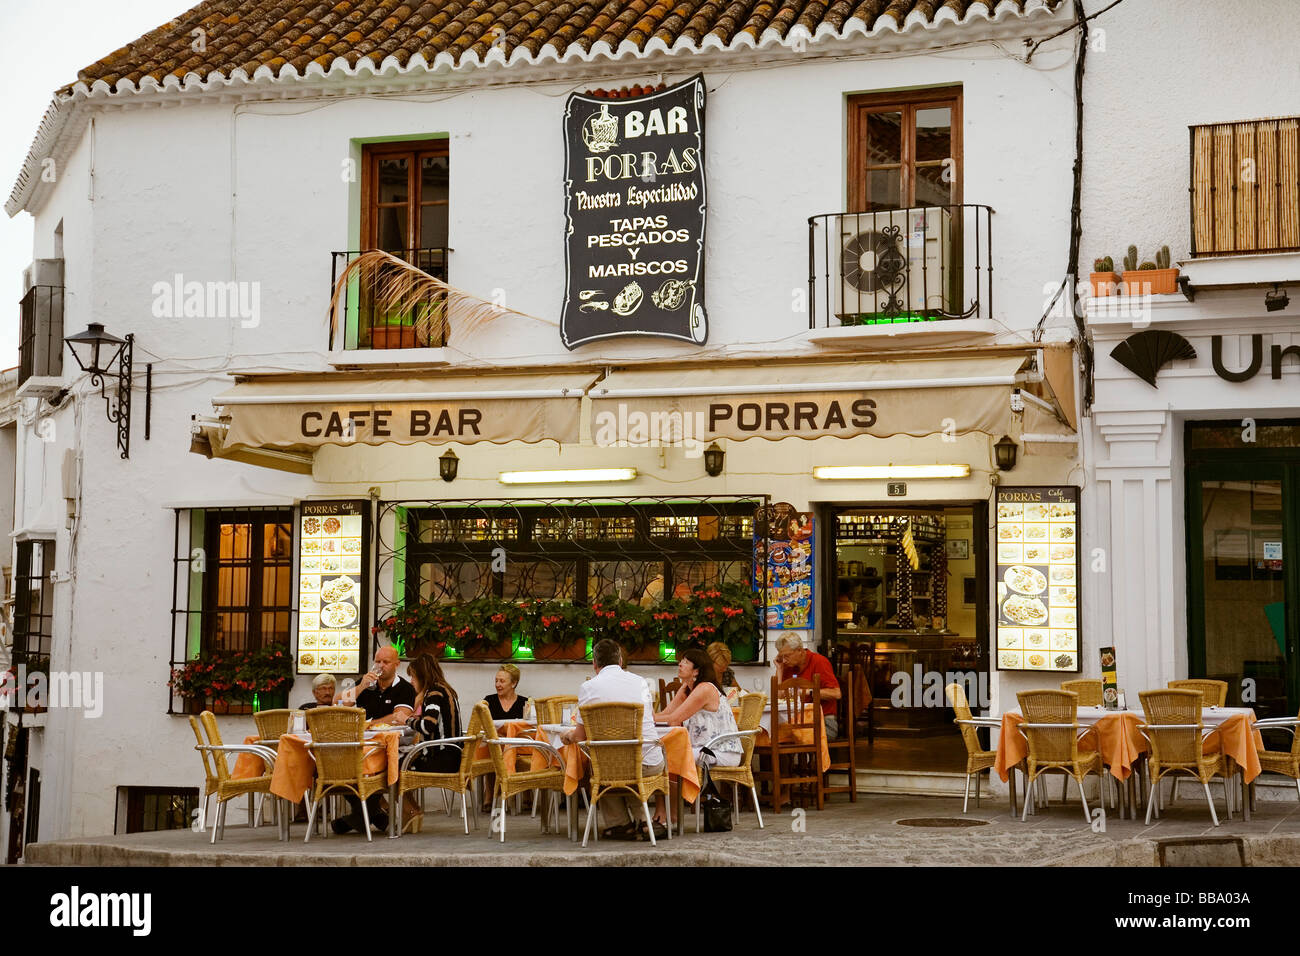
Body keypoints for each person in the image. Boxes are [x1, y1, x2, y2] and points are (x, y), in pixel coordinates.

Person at [561, 638, 665, 841]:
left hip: (613, 766)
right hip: (650, 762)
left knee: (603, 762)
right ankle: (644, 822)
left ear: (594, 664)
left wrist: (567, 736)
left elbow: (580, 736)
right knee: (622, 759)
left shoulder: (588, 687)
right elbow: (650, 719)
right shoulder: (641, 682)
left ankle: (619, 824)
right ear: (619, 660)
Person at [657, 648, 743, 768]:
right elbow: (665, 714)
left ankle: (684, 787)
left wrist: (645, 719)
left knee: (669, 755)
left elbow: (673, 718)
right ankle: (678, 787)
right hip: (703, 748)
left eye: (686, 662)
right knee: (663, 753)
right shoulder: (686, 688)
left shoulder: (705, 688)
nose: (680, 664)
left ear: (696, 671)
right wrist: (642, 715)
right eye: (681, 661)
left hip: (722, 752)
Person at [774, 634, 842, 739]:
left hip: (823, 721)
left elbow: (836, 693)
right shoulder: (787, 666)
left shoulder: (819, 662)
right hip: (795, 721)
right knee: (770, 738)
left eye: (787, 656)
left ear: (800, 651)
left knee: (783, 738)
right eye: (781, 656)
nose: (784, 660)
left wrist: (807, 692)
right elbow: (779, 697)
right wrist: (779, 670)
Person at [405, 653, 462, 774]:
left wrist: (407, 720)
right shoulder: (444, 689)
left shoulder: (434, 693)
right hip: (453, 757)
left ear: (422, 677)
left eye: (413, 677)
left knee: (398, 764)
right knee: (403, 759)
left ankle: (397, 793)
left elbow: (428, 726)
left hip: (441, 760)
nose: (411, 682)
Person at [353, 646, 415, 725]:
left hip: (391, 736)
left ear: (397, 664)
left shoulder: (406, 688)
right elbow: (338, 702)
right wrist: (360, 687)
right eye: (378, 662)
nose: (381, 665)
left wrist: (367, 724)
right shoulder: (365, 682)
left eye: (386, 662)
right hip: (363, 736)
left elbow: (398, 719)